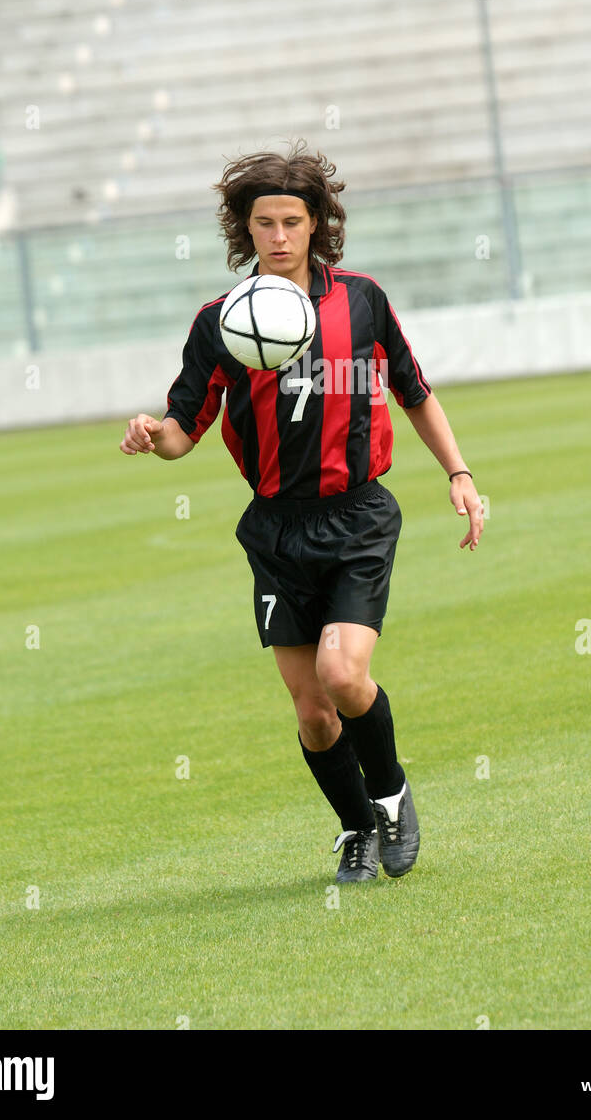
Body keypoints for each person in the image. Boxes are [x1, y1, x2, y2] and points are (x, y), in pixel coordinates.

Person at [119, 141, 484, 882]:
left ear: (317, 223)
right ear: (243, 229)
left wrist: (459, 473)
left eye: (293, 219)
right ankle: (355, 829)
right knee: (314, 713)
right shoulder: (220, 320)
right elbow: (183, 431)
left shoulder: (361, 300)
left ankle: (390, 796)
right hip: (275, 529)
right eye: (264, 223)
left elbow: (414, 391)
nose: (279, 236)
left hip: (356, 516)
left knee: (344, 675)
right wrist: (151, 435)